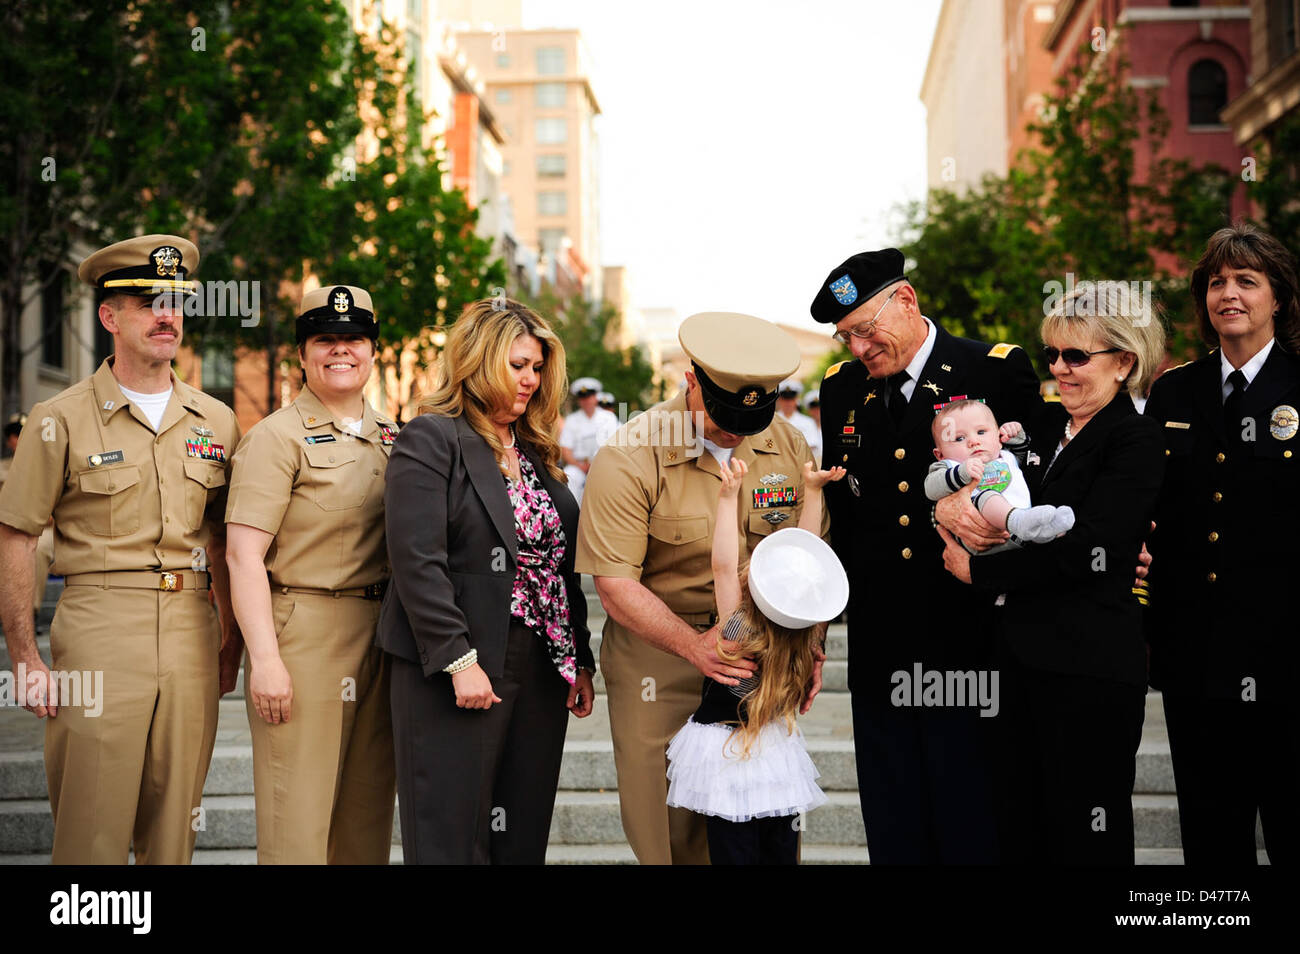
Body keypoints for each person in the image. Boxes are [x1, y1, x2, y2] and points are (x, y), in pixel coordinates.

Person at [0, 234, 241, 864]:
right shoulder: (59, 418)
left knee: (173, 834)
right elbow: (17, 534)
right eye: (146, 303)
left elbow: (224, 543)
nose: (166, 316)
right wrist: (24, 655)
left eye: (174, 302)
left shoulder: (216, 421)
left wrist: (231, 642)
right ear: (109, 316)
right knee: (92, 831)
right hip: (100, 628)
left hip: (191, 627)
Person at [810, 248, 1042, 864]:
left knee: (972, 812)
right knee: (893, 817)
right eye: (845, 336)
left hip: (969, 633)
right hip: (882, 638)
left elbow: (1038, 483)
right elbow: (849, 512)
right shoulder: (840, 389)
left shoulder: (993, 370)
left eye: (864, 329)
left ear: (906, 301)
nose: (857, 348)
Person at [576, 311, 828, 865]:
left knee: (761, 826)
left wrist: (810, 643)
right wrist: (694, 648)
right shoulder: (630, 452)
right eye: (725, 412)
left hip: (760, 657)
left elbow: (808, 561)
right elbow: (616, 583)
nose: (738, 429)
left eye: (753, 416)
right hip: (660, 659)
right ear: (692, 379)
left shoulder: (786, 445)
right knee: (674, 832)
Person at [936, 283, 1166, 864]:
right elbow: (961, 474)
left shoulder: (1135, 439)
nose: (1059, 369)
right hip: (1014, 663)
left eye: (1076, 357)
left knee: (1085, 832)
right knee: (1019, 827)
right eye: (1053, 356)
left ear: (1124, 362)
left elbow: (1093, 549)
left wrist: (979, 571)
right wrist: (950, 505)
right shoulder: (1039, 428)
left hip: (1088, 670)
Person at [377, 298, 595, 864]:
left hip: (542, 667)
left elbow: (558, 564)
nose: (531, 379)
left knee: (520, 837)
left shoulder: (538, 453)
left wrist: (582, 660)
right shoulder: (430, 439)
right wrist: (458, 659)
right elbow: (417, 559)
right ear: (478, 361)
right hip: (457, 665)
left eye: (538, 368)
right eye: (519, 365)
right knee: (450, 838)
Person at [224, 285, 398, 864]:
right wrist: (266, 659)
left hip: (383, 634)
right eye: (325, 339)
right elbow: (243, 557)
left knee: (365, 818)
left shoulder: (396, 437)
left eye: (354, 339)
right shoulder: (275, 438)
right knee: (296, 819)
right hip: (304, 633)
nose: (340, 350)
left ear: (374, 351)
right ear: (302, 354)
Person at [1145, 223, 1300, 865]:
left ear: (1278, 298)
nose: (1227, 294)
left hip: (1287, 656)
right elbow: (1151, 505)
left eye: (1245, 281)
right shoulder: (1175, 391)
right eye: (1216, 282)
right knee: (1210, 834)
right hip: (1197, 657)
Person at [666, 458, 846, 865]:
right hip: (776, 754)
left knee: (733, 852)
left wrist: (728, 498)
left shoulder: (739, 629)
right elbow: (808, 557)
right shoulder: (801, 638)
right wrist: (814, 492)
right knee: (780, 850)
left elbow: (723, 567)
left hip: (728, 753)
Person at [925, 400, 1075, 551]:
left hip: (1021, 538)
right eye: (959, 438)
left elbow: (1028, 463)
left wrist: (1016, 437)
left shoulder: (1006, 456)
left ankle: (1043, 532)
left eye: (981, 432)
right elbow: (930, 488)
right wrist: (961, 473)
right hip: (980, 537)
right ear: (940, 455)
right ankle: (1019, 521)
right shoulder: (949, 466)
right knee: (987, 496)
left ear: (998, 438)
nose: (974, 441)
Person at [0, 415, 55, 634]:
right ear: (9, 441)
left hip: (44, 528)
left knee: (38, 550)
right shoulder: (3, 468)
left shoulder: (48, 462)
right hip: (8, 525)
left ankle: (28, 615)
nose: (21, 439)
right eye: (16, 435)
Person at [559, 376, 619, 504]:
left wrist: (596, 465)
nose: (587, 401)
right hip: (579, 465)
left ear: (596, 397)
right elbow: (566, 449)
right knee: (569, 476)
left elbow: (613, 447)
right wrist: (580, 466)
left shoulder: (608, 417)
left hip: (602, 464)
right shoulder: (572, 420)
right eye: (583, 398)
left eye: (589, 396)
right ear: (579, 400)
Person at [775, 378, 822, 465]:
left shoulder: (808, 422)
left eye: (791, 399)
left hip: (801, 465)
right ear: (779, 399)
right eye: (785, 399)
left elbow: (811, 447)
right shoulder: (772, 420)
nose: (788, 403)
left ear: (796, 399)